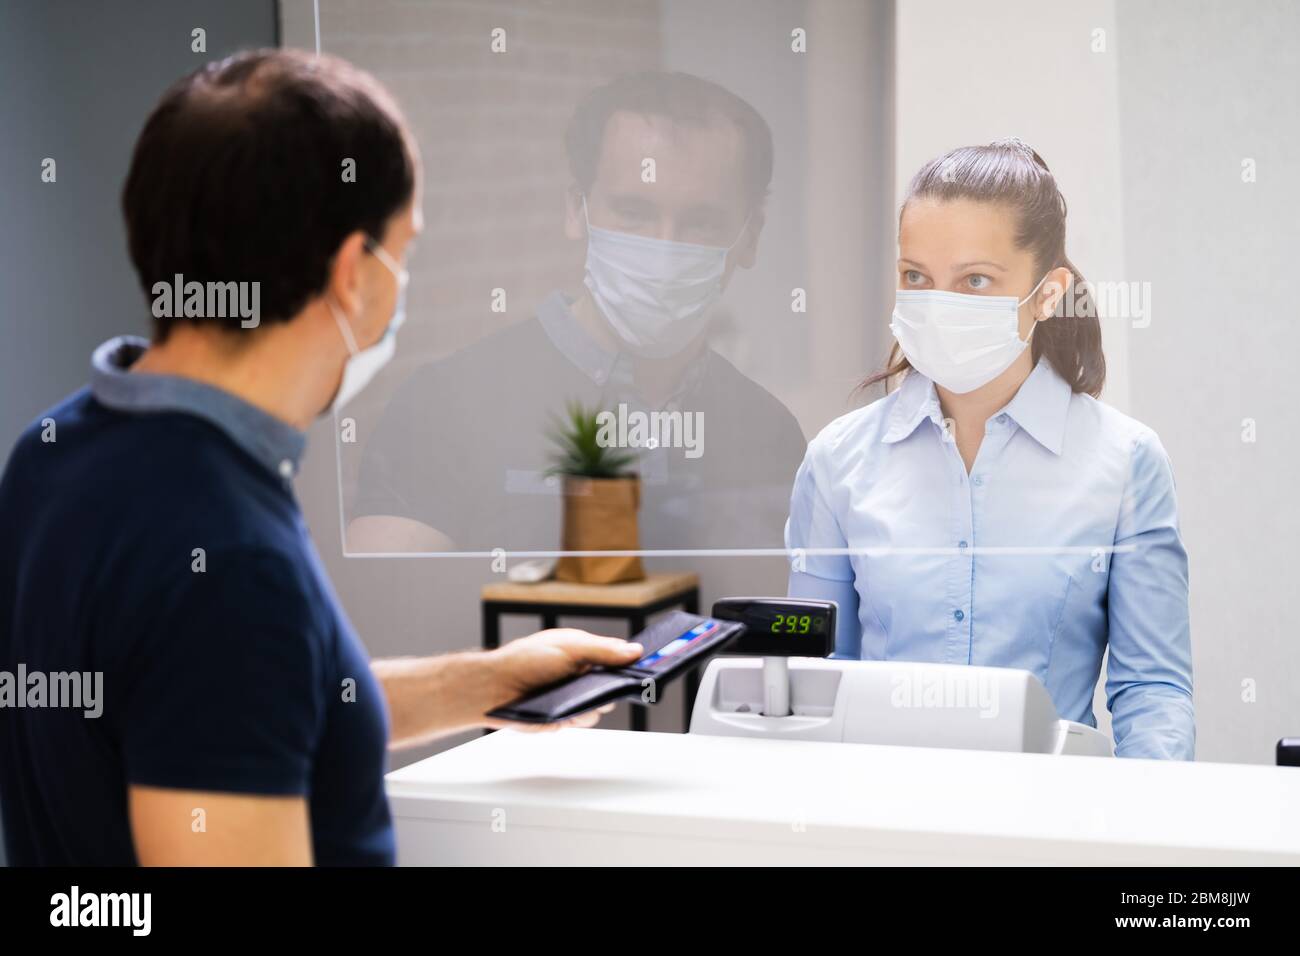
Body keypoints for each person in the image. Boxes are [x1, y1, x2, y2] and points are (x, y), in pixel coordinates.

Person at [0, 49, 645, 867]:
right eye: (402, 251)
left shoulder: (53, 451)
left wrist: (488, 682)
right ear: (352, 274)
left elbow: (227, 708)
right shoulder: (229, 563)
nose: (402, 281)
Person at [785, 139, 1194, 760]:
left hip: (1052, 827)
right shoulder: (837, 459)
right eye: (916, 276)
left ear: (1049, 293)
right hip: (879, 821)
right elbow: (813, 676)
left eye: (975, 280)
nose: (939, 302)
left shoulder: (1126, 462)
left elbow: (1152, 690)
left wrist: (1145, 833)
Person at [346, 71, 807, 557]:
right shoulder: (445, 405)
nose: (664, 248)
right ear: (576, 209)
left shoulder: (769, 434)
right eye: (634, 211)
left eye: (700, 221)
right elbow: (389, 607)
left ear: (751, 236)